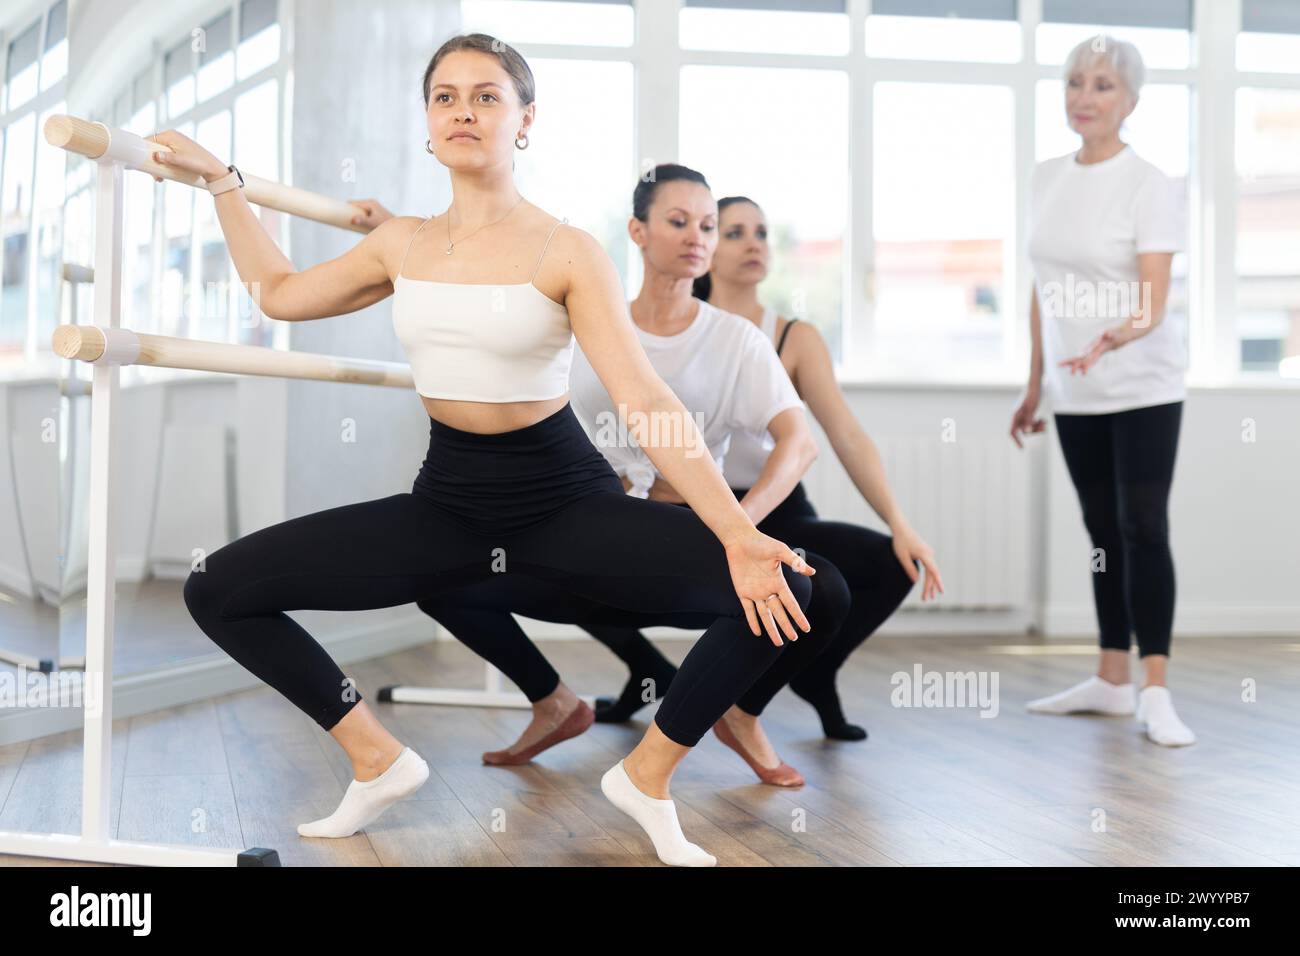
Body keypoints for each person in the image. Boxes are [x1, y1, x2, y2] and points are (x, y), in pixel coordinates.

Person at [152, 33, 826, 866]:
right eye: (445, 97)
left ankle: (647, 774)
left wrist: (737, 531)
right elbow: (283, 295)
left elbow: (644, 400)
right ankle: (377, 757)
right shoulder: (401, 243)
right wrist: (225, 183)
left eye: (487, 96)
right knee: (217, 589)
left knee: (804, 585)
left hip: (566, 503)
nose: (463, 111)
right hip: (448, 504)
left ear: (525, 121)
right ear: (428, 127)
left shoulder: (566, 249)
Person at [415, 165, 853, 787]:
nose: (696, 236)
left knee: (823, 589)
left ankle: (739, 713)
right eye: (677, 222)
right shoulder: (588, 322)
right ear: (638, 232)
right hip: (587, 536)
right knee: (436, 574)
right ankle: (554, 702)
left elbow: (799, 442)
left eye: (708, 225)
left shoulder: (737, 341)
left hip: (686, 538)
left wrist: (739, 526)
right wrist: (412, 244)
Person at [1012, 35, 1193, 747]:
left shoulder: (1151, 182)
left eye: (1103, 86)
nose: (1084, 98)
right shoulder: (1045, 176)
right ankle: (1111, 678)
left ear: (1132, 101)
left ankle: (1155, 688)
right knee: (1098, 532)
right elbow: (1041, 287)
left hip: (1144, 382)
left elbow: (1153, 301)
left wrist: (1110, 338)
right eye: (1075, 83)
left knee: (1142, 526)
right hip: (1074, 388)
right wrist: (1036, 382)